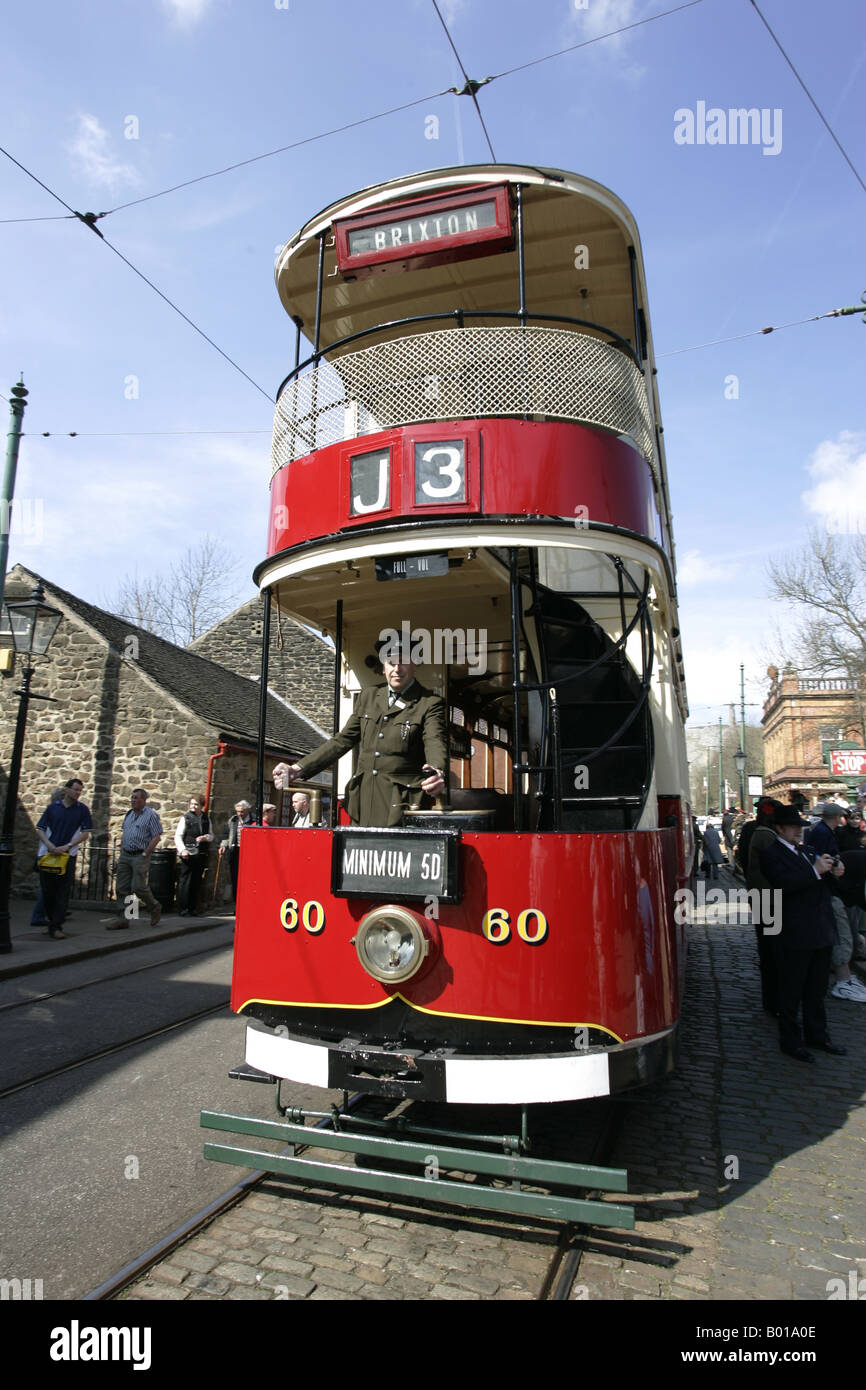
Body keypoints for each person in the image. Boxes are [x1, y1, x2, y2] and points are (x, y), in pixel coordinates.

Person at [273, 653, 447, 828]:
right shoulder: (369, 696)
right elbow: (343, 740)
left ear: (414, 664)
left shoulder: (429, 703)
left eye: (403, 662)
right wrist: (298, 768)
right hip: (362, 801)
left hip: (401, 803)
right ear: (384, 666)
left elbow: (434, 740)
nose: (397, 669)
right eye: (391, 663)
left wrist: (437, 770)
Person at [759, 805, 847, 1062]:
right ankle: (791, 1041)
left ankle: (817, 1035)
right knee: (791, 990)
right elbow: (784, 884)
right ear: (780, 828)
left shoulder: (807, 851)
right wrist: (815, 871)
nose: (799, 831)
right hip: (795, 933)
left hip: (820, 930)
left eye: (801, 827)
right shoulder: (771, 854)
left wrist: (835, 872)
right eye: (794, 827)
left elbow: (824, 882)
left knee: (817, 990)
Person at [805, 803, 866, 1001]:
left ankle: (845, 977)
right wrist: (835, 866)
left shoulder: (823, 831)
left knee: (844, 934)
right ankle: (843, 981)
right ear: (839, 817)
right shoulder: (824, 832)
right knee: (842, 936)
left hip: (833, 891)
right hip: (830, 892)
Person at [35, 779, 93, 940]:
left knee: (62, 891)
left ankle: (56, 926)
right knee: (48, 892)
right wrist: (50, 845)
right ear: (66, 790)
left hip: (67, 856)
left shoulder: (82, 810)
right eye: (75, 789)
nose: (78, 793)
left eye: (80, 790)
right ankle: (51, 922)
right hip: (48, 854)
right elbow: (40, 829)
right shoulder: (53, 808)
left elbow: (85, 833)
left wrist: (68, 846)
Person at [105, 789, 164, 930]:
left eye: (136, 798)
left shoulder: (150, 815)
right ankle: (123, 918)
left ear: (143, 800)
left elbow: (156, 837)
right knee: (122, 888)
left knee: (138, 886)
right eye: (132, 798)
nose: (133, 800)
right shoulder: (129, 814)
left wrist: (145, 853)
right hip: (126, 854)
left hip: (140, 855)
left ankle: (154, 906)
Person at [745, 798, 782, 1014]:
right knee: (773, 951)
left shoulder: (753, 830)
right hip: (769, 898)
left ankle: (772, 999)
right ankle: (774, 1000)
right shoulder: (765, 835)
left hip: (760, 896)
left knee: (768, 949)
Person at [31, 786, 66, 928]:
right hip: (49, 854)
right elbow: (46, 833)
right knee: (48, 889)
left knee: (52, 888)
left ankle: (54, 912)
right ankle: (39, 915)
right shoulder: (53, 813)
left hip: (48, 853)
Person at [174, 795, 213, 916]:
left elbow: (211, 835)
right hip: (188, 853)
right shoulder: (185, 818)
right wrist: (183, 850)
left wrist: (206, 837)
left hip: (200, 853)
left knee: (196, 881)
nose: (193, 806)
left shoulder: (206, 819)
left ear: (201, 806)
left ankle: (192, 908)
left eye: (196, 804)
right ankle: (183, 908)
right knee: (185, 881)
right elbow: (178, 836)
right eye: (191, 804)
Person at [219, 800, 254, 901]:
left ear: (248, 810)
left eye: (242, 811)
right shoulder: (233, 820)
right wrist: (223, 846)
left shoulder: (253, 820)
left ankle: (245, 902)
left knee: (246, 879)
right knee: (235, 878)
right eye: (238, 811)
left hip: (248, 852)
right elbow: (226, 834)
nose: (239, 814)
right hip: (235, 851)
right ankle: (236, 903)